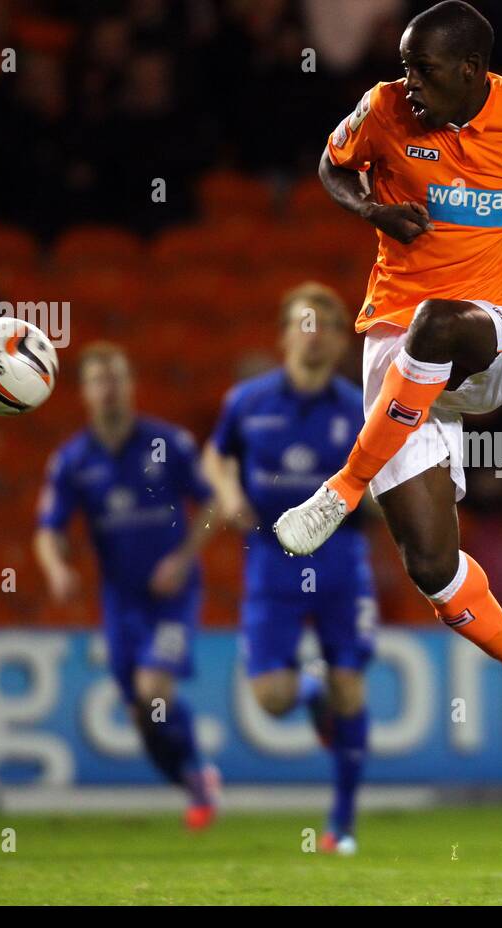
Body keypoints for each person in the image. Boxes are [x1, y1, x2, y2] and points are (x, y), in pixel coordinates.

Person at [273, 1, 502, 752]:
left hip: (488, 337)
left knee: (436, 323)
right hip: (395, 340)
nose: (408, 82)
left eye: (422, 69)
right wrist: (371, 208)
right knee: (430, 565)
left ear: (470, 71)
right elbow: (332, 165)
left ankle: (341, 490)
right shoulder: (384, 110)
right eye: (403, 66)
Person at [202, 283, 376, 856]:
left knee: (350, 684)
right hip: (272, 564)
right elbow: (216, 454)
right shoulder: (247, 402)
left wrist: (374, 502)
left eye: (329, 324)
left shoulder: (359, 408)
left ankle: (342, 826)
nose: (317, 333)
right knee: (272, 697)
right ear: (282, 336)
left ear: (339, 342)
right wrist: (226, 492)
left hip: (341, 561)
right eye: (306, 322)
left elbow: (385, 483)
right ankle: (309, 692)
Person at [34, 343, 221, 829]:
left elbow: (213, 505)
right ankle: (192, 779)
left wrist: (182, 560)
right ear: (85, 393)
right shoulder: (72, 460)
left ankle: (198, 772)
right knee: (143, 714)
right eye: (99, 380)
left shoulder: (169, 444)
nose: (110, 389)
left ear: (132, 386)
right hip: (120, 601)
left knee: (153, 687)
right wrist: (57, 569)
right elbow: (48, 528)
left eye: (117, 378)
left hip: (173, 595)